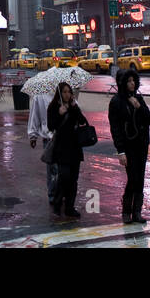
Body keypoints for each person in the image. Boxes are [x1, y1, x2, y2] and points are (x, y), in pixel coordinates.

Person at [108, 68, 150, 223]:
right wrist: (120, 151)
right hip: (128, 146)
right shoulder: (116, 102)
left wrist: (139, 107)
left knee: (140, 178)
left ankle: (137, 212)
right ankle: (126, 210)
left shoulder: (138, 98)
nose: (132, 83)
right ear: (122, 83)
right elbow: (115, 128)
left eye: (133, 80)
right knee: (133, 178)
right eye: (128, 81)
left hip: (142, 144)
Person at [47, 81, 87, 218]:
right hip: (61, 148)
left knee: (73, 179)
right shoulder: (53, 107)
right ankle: (57, 204)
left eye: (69, 92)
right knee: (64, 177)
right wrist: (59, 113)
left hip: (75, 147)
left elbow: (82, 121)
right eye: (64, 92)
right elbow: (51, 126)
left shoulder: (74, 106)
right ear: (59, 93)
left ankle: (70, 207)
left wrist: (75, 108)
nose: (67, 94)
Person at [27, 89, 58, 208]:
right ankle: (53, 195)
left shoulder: (64, 92)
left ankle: (60, 193)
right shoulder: (40, 96)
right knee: (53, 169)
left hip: (64, 137)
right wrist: (33, 136)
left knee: (62, 169)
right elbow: (35, 115)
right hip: (49, 138)